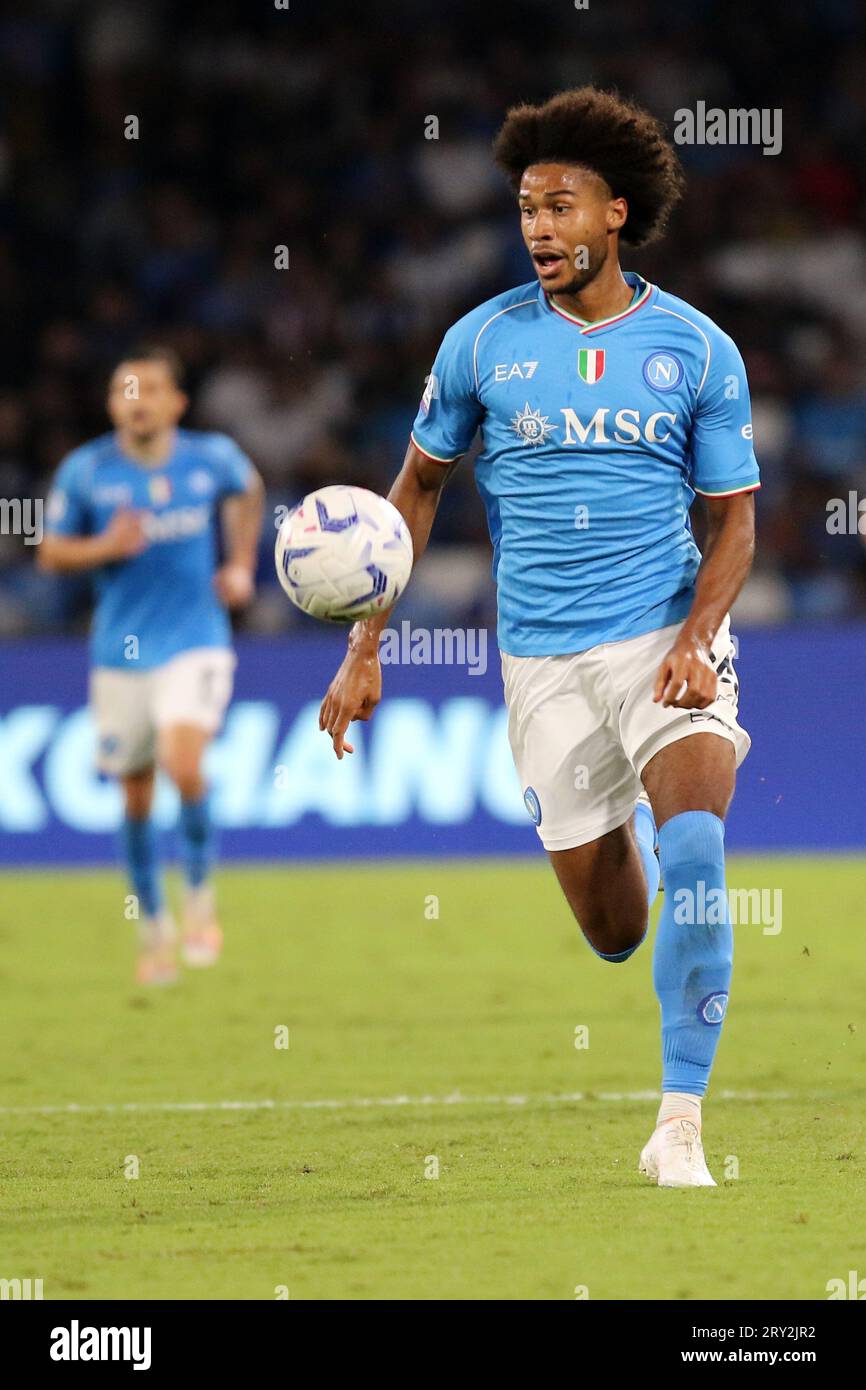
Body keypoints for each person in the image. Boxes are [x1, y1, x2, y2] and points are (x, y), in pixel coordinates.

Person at [318, 88, 760, 1187]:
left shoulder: (696, 350)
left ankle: (678, 1127)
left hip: (661, 636)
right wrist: (364, 645)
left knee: (697, 848)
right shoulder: (479, 344)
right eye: (524, 207)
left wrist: (699, 632)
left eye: (559, 205)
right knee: (612, 927)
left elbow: (734, 519)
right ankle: (651, 897)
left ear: (615, 213)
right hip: (540, 661)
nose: (538, 228)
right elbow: (414, 492)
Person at [39, 345, 264, 985]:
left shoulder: (209, 459)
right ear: (112, 404)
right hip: (119, 653)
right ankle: (154, 927)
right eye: (124, 390)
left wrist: (241, 563)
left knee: (184, 762)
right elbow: (51, 553)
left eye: (150, 390)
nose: (137, 401)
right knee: (136, 797)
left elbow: (249, 491)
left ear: (176, 403)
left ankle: (199, 898)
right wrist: (103, 547)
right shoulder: (87, 472)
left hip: (195, 641)